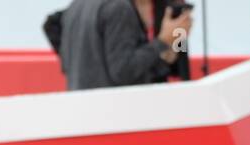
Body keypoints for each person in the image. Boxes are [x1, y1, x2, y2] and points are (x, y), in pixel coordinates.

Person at [59, 0, 192, 91]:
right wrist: (162, 41)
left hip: (82, 108)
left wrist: (174, 42)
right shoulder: (119, 7)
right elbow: (124, 71)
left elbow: (66, 64)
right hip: (116, 112)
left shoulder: (76, 5)